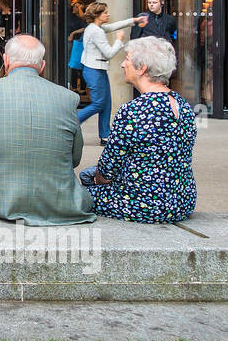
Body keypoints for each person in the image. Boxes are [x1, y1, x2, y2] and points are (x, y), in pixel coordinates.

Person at [0, 34, 94, 224]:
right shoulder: (69, 98)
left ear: (6, 60)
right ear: (42, 66)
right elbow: (74, 158)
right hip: (60, 203)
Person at [79, 37, 197, 223]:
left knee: (79, 191)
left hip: (145, 203)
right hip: (182, 200)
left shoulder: (133, 110)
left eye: (127, 58)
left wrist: (99, 180)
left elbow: (106, 171)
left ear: (142, 68)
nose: (123, 64)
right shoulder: (183, 105)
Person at [77, 1, 139, 143]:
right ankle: (72, 122)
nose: (108, 14)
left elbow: (112, 26)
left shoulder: (94, 27)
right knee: (99, 103)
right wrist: (119, 40)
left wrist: (133, 21)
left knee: (106, 104)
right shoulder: (96, 31)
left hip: (97, 69)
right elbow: (109, 53)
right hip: (94, 70)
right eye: (105, 12)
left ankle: (105, 136)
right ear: (97, 15)